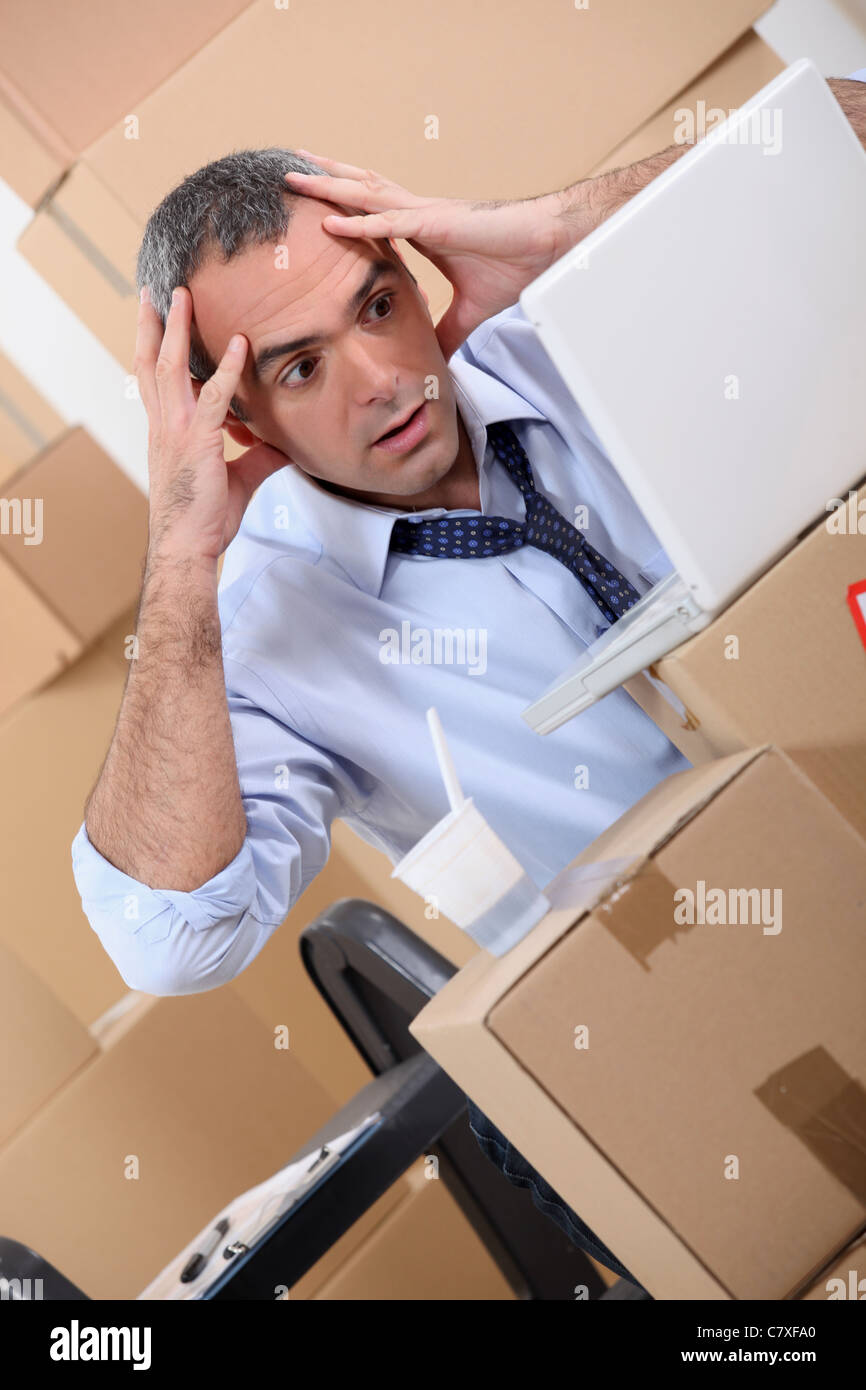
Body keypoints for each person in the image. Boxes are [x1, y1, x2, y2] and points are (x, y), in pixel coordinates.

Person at [71, 74, 866, 1292]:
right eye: (297, 369)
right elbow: (172, 941)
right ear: (239, 428)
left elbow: (844, 130)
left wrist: (554, 227)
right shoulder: (262, 627)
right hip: (767, 1044)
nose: (382, 380)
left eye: (377, 305)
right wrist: (178, 558)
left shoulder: (567, 335)